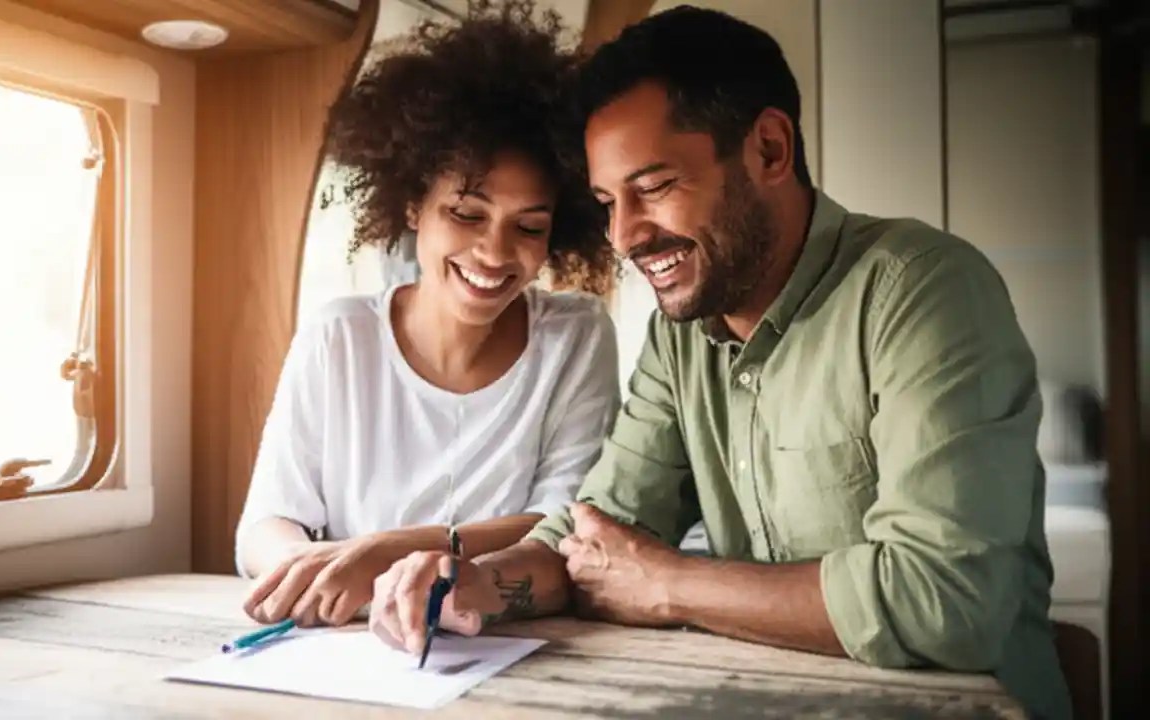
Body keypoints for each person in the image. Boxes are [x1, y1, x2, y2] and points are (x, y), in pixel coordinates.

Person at [368, 7, 1071, 718]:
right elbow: (595, 534)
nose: (625, 235)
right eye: (608, 202)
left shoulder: (923, 291)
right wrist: (472, 583)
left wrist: (669, 584)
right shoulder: (679, 337)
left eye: (654, 187)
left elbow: (947, 602)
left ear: (769, 148)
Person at [235, 0, 619, 629]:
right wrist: (315, 570)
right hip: (355, 640)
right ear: (414, 204)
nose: (494, 252)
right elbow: (266, 524)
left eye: (528, 227)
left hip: (508, 641)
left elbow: (565, 526)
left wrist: (390, 549)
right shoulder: (338, 337)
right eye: (467, 214)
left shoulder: (575, 336)